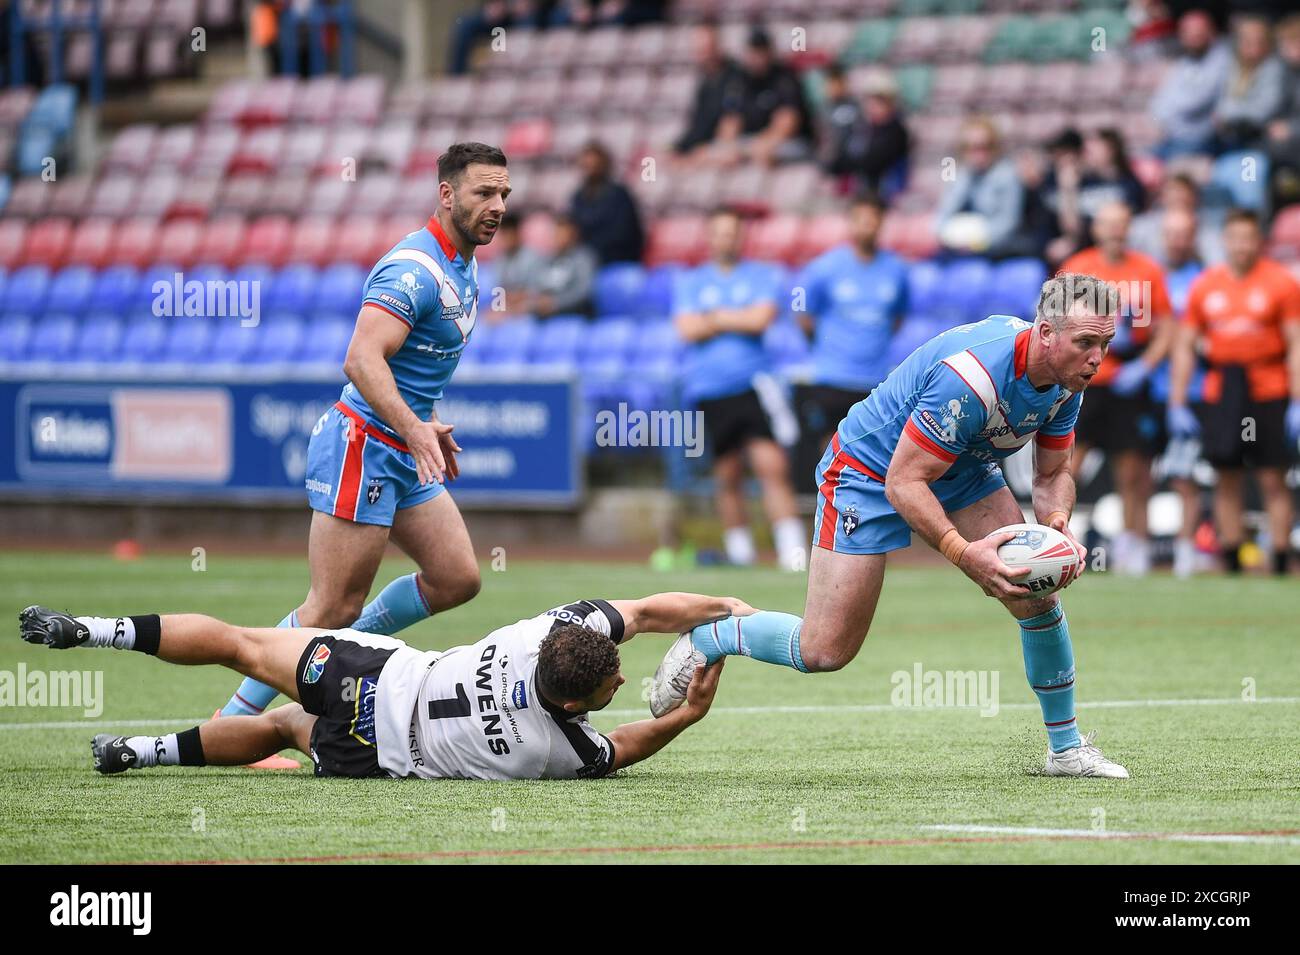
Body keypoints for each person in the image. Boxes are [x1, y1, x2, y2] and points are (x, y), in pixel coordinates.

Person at [654, 275, 1132, 779]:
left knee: (1033, 594)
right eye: (1086, 342)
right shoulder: (972, 379)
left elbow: (1053, 474)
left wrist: (1056, 529)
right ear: (1046, 333)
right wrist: (963, 554)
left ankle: (1065, 749)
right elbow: (904, 484)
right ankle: (715, 635)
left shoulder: (1067, 381)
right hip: (867, 472)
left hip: (961, 468)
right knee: (824, 651)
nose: (1097, 358)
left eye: (1106, 343)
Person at [215, 143, 505, 768]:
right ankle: (232, 727)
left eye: (504, 194)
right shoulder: (412, 269)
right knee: (329, 607)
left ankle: (343, 648)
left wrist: (426, 423)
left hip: (403, 445)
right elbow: (361, 360)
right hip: (364, 446)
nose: (497, 206)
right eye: (484, 193)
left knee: (457, 578)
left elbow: (410, 365)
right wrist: (412, 426)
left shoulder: (465, 265)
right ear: (447, 194)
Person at [17, 592, 733, 780]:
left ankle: (96, 629)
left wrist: (722, 611)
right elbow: (623, 748)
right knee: (280, 730)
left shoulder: (533, 634)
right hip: (373, 745)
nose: (626, 675)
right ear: (575, 704)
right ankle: (138, 752)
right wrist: (688, 716)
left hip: (376, 673)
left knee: (239, 644)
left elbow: (640, 612)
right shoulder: (550, 750)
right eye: (616, 679)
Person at [1168, 209, 1300, 575]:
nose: (1242, 246)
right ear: (1225, 242)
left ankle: (1279, 556)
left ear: (1260, 241)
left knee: (1273, 476)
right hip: (1222, 391)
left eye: (1249, 238)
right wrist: (1177, 401)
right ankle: (1231, 556)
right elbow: (1185, 345)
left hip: (1269, 389)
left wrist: (1297, 400)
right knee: (1226, 474)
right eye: (1235, 238)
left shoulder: (1281, 284)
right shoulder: (1207, 285)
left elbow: (1295, 343)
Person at [673, 207, 804, 571]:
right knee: (727, 474)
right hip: (709, 390)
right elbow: (686, 329)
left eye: (731, 232)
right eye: (718, 232)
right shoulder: (692, 281)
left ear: (740, 237)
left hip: (753, 385)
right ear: (710, 237)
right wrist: (734, 317)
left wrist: (713, 317)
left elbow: (760, 319)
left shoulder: (761, 275)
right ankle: (741, 554)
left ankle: (793, 555)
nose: (724, 239)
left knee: (771, 467)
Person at [1060, 201, 1175, 575]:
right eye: (1108, 225)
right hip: (1085, 383)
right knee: (1066, 463)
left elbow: (1167, 326)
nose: (1115, 232)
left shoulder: (1148, 269)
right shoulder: (1077, 268)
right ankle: (1058, 539)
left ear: (1130, 228)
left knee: (1132, 468)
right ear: (1097, 229)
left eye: (1121, 224)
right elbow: (1054, 324)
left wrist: (1146, 365)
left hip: (1129, 382)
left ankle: (1133, 547)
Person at [793, 193, 907, 461]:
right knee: (832, 446)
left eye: (873, 220)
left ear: (881, 223)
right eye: (861, 220)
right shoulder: (825, 267)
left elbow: (898, 316)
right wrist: (822, 342)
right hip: (834, 376)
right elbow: (801, 310)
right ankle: (832, 501)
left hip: (874, 378)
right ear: (851, 223)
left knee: (876, 450)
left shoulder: (896, 270)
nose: (867, 226)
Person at [707, 26, 814, 167]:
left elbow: (786, 123)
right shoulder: (739, 80)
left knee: (766, 155)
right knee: (716, 153)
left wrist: (762, 144)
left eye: (760, 52)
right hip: (750, 142)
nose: (756, 58)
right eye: (753, 52)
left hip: (787, 142)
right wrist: (730, 145)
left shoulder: (784, 79)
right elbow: (730, 120)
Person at [935, 116, 1024, 259]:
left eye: (984, 147)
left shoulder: (1008, 176)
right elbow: (941, 219)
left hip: (996, 254)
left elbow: (1008, 223)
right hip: (957, 251)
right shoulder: (957, 175)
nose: (978, 154)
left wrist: (976, 243)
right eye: (970, 147)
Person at [820, 69, 910, 201]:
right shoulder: (862, 127)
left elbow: (874, 161)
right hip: (863, 188)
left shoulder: (896, 130)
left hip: (887, 191)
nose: (874, 105)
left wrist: (848, 162)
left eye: (880, 100)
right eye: (871, 99)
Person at [1150, 10, 1231, 157]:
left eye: (1197, 34)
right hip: (1174, 138)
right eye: (1187, 33)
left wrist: (1171, 109)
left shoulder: (1222, 60)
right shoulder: (1185, 62)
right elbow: (1158, 104)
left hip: (1204, 142)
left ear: (1211, 33)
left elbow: (1194, 103)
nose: (1192, 38)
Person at [673, 21, 746, 160]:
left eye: (707, 49)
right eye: (699, 50)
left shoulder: (735, 78)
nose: (704, 55)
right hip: (710, 145)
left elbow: (731, 121)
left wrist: (704, 152)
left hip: (735, 144)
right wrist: (678, 148)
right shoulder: (705, 83)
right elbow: (699, 125)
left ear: (718, 46)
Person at [1213, 14, 1285, 151]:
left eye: (1260, 42)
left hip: (1258, 139)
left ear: (1268, 44)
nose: (1254, 49)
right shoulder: (1233, 65)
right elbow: (1219, 99)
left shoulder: (1274, 68)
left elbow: (1262, 112)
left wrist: (1226, 113)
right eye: (1248, 42)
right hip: (1226, 135)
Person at [568, 140, 644, 265]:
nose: (590, 169)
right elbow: (574, 228)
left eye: (594, 165)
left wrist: (590, 250)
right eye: (587, 165)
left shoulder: (618, 195)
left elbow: (624, 234)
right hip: (585, 259)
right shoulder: (578, 197)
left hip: (615, 259)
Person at [522, 212, 599, 318]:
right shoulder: (548, 259)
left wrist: (555, 303)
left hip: (574, 317)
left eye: (562, 232)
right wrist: (538, 300)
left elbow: (583, 292)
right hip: (546, 318)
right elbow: (535, 284)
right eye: (556, 232)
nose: (557, 236)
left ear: (573, 234)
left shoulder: (583, 258)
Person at [489, 211, 543, 320]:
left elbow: (536, 291)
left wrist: (515, 298)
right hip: (507, 306)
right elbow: (498, 290)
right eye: (503, 234)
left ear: (517, 234)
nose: (505, 239)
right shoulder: (500, 259)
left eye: (508, 234)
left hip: (529, 307)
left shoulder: (532, 258)